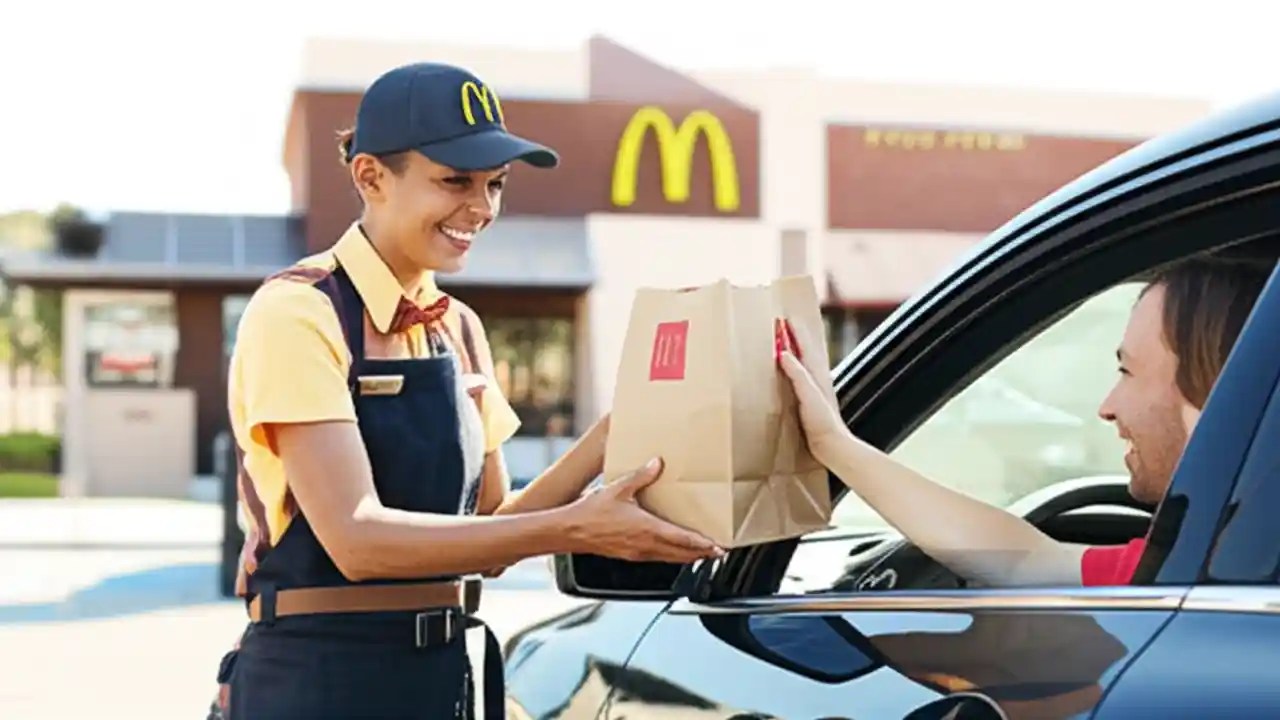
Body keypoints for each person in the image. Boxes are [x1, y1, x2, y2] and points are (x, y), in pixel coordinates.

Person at [213, 62, 722, 720]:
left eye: (495, 184)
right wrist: (577, 529)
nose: (481, 209)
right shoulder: (299, 312)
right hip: (320, 680)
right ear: (370, 176)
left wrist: (615, 435)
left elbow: (490, 534)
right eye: (455, 181)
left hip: (440, 678)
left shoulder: (458, 327)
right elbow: (356, 539)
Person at [780, 247, 1276, 588]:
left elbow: (1027, 563)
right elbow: (1026, 562)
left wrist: (833, 444)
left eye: (1127, 370)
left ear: (1211, 390)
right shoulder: (1221, 554)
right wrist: (833, 446)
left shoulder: (1212, 566)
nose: (1107, 406)